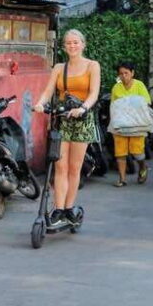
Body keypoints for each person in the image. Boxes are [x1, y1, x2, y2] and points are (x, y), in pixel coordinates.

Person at [33, 29, 101, 227]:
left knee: (74, 167)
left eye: (75, 42)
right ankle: (59, 209)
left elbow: (94, 93)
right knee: (59, 167)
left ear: (83, 44)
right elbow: (48, 92)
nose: (72, 46)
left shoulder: (92, 66)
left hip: (82, 120)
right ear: (64, 47)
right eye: (68, 43)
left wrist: (83, 108)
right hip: (62, 119)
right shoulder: (59, 68)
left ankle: (70, 207)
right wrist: (39, 104)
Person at [108, 62, 153, 186]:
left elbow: (147, 102)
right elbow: (113, 106)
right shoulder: (116, 88)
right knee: (120, 153)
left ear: (132, 73)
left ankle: (143, 167)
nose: (124, 76)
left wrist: (129, 103)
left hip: (136, 124)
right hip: (120, 123)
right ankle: (122, 179)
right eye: (121, 74)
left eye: (126, 73)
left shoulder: (139, 85)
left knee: (137, 152)